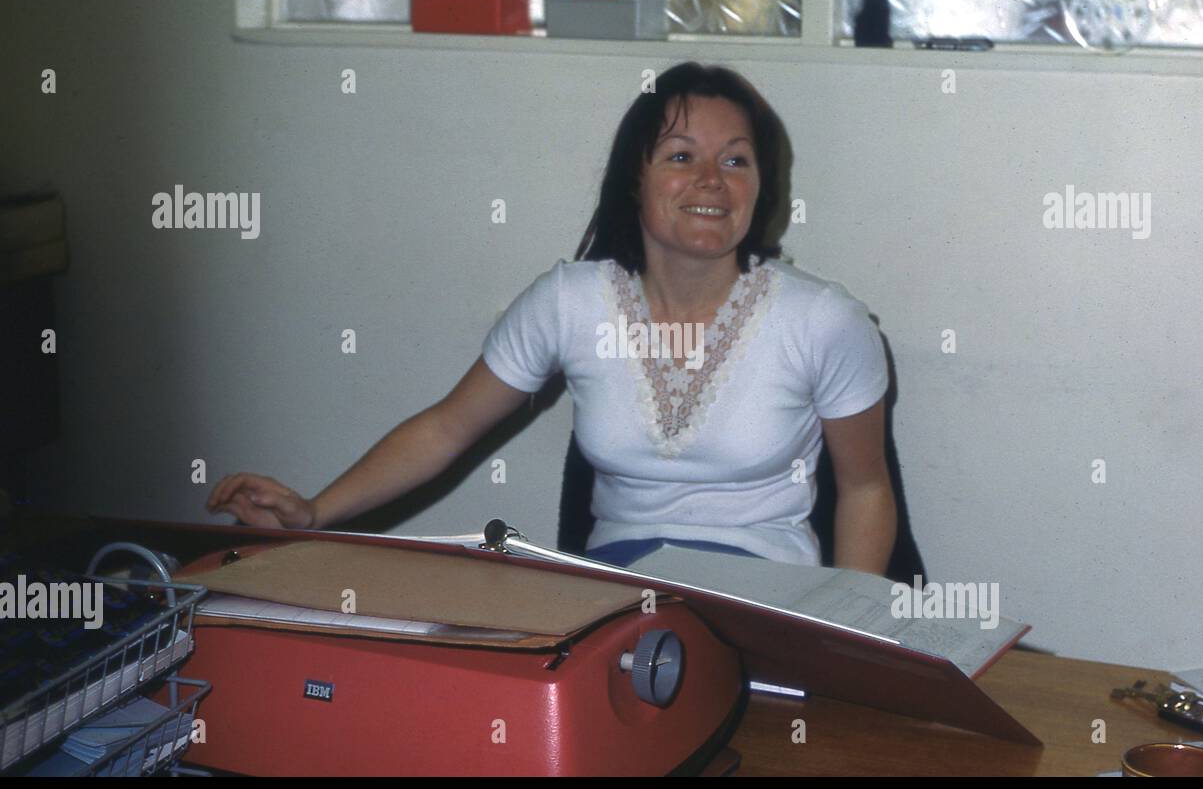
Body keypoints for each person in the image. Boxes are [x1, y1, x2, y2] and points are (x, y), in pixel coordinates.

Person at [207, 63, 896, 572]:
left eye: (736, 160)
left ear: (762, 186)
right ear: (635, 179)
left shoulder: (823, 320)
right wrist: (315, 512)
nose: (712, 180)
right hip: (614, 591)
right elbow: (448, 428)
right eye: (682, 156)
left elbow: (864, 489)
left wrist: (850, 641)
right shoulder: (570, 302)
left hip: (768, 592)